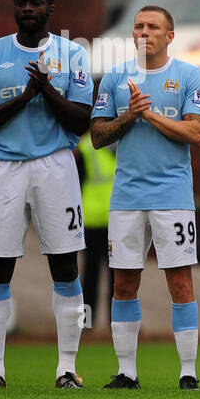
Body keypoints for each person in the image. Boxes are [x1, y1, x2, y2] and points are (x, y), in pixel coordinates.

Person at [0, 0, 93, 389]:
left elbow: (81, 120)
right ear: (14, 8)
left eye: (36, 2)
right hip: (4, 167)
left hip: (55, 165)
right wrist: (23, 98)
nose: (28, 8)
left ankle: (67, 368)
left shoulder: (72, 54)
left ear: (50, 9)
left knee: (65, 264)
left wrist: (46, 90)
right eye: (22, 2)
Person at [90, 5, 200, 390]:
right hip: (126, 197)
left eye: (153, 26)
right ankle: (127, 372)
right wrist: (128, 116)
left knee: (180, 282)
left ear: (169, 35)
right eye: (138, 26)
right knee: (124, 282)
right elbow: (97, 137)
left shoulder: (189, 75)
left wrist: (149, 115)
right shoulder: (114, 77)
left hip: (173, 196)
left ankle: (188, 372)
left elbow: (197, 134)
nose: (144, 32)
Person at [76, 138, 115, 328]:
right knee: (91, 274)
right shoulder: (86, 148)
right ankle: (86, 323)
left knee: (116, 276)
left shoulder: (126, 144)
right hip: (93, 220)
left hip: (116, 220)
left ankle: (113, 324)